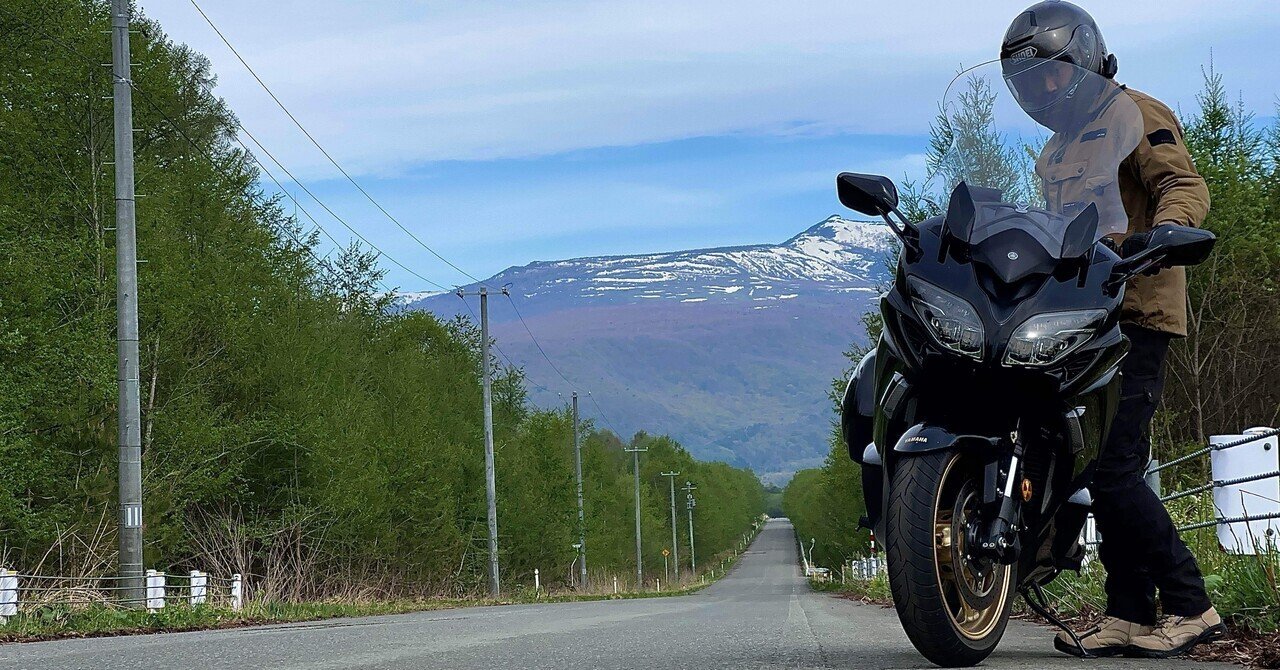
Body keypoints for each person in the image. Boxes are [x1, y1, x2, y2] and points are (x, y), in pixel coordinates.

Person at [1000, 1, 1224, 659]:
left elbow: (1181, 183)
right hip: (1078, 318)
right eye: (1030, 81)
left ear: (1086, 60)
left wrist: (1166, 233)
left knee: (1117, 468)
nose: (1044, 89)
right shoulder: (1053, 151)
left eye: (1052, 74)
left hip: (1138, 310)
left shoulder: (1135, 112)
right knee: (1097, 467)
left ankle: (1192, 606)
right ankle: (1129, 612)